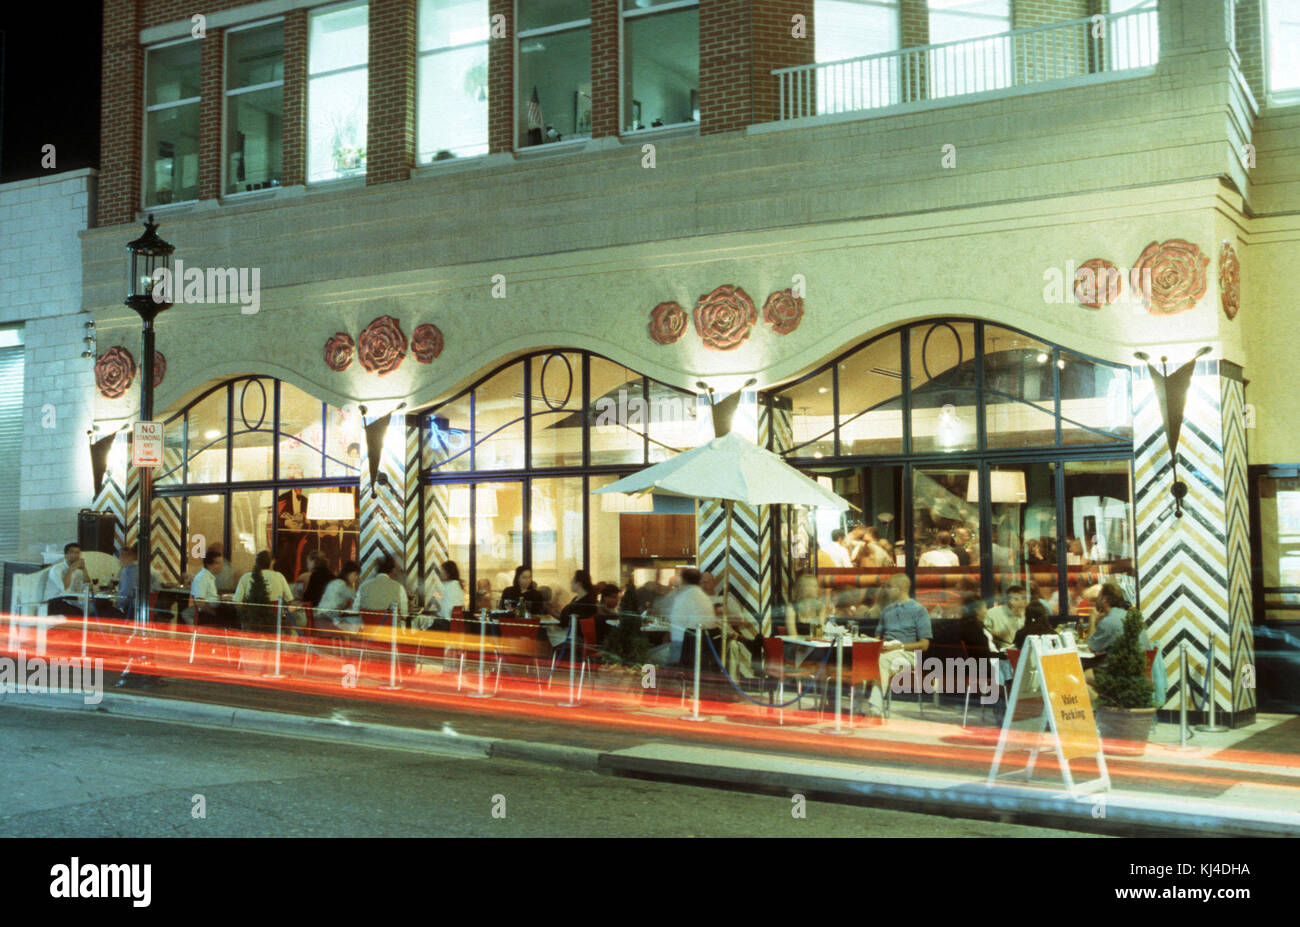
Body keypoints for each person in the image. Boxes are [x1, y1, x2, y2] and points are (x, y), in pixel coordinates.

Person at [867, 573, 932, 715]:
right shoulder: (886, 611)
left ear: (901, 588)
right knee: (862, 657)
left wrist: (899, 646)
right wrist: (873, 643)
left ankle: (875, 706)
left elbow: (924, 644)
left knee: (882, 661)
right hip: (886, 651)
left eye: (889, 587)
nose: (886, 591)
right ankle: (858, 702)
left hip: (908, 654)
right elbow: (878, 637)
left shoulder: (919, 611)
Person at [653, 568, 718, 666]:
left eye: (679, 576)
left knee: (649, 657)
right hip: (702, 648)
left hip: (684, 648)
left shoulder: (684, 595)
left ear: (683, 580)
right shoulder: (703, 596)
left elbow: (662, 610)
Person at [702, 570, 760, 678]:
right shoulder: (698, 601)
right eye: (702, 582)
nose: (704, 584)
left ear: (713, 582)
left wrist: (722, 613)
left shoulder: (725, 599)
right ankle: (742, 639)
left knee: (733, 645)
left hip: (723, 639)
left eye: (707, 581)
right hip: (705, 638)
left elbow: (740, 620)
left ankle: (733, 684)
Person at [1084, 582, 1149, 670]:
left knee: (1083, 673)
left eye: (1099, 596)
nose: (1096, 600)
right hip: (1139, 669)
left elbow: (1089, 649)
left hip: (1124, 675)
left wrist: (1092, 619)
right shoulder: (1126, 614)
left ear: (1105, 599)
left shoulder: (1108, 621)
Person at [233, 550, 295, 631]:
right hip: (274, 623)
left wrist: (247, 612)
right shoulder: (279, 577)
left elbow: (236, 602)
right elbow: (289, 600)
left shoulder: (245, 577)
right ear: (272, 562)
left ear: (256, 562)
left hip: (251, 623)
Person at [183, 550, 235, 627]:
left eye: (221, 563)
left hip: (215, 609)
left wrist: (221, 598)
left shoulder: (210, 577)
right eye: (218, 563)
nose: (222, 566)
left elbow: (210, 597)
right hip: (208, 614)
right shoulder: (202, 578)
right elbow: (200, 602)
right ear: (209, 565)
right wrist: (215, 614)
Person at [355, 554, 410, 625]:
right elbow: (404, 615)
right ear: (391, 570)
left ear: (377, 570)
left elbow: (355, 610)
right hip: (390, 633)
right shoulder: (399, 587)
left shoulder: (363, 586)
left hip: (368, 632)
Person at [42, 543, 90, 617]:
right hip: (55, 601)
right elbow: (64, 587)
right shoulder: (57, 569)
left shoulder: (78, 571)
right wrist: (70, 569)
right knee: (76, 615)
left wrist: (84, 569)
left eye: (77, 553)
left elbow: (87, 586)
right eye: (72, 552)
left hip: (70, 601)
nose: (75, 555)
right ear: (66, 555)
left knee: (91, 612)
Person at [316, 560, 362, 631]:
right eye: (355, 574)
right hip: (326, 619)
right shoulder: (340, 584)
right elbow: (355, 598)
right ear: (348, 573)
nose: (356, 578)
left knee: (355, 627)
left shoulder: (338, 582)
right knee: (356, 628)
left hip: (326, 618)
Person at [984, 585, 1028, 650]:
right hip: (1002, 651)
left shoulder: (1029, 614)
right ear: (1007, 600)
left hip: (1024, 649)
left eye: (1023, 598)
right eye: (1016, 599)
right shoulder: (993, 613)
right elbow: (985, 633)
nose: (1021, 602)